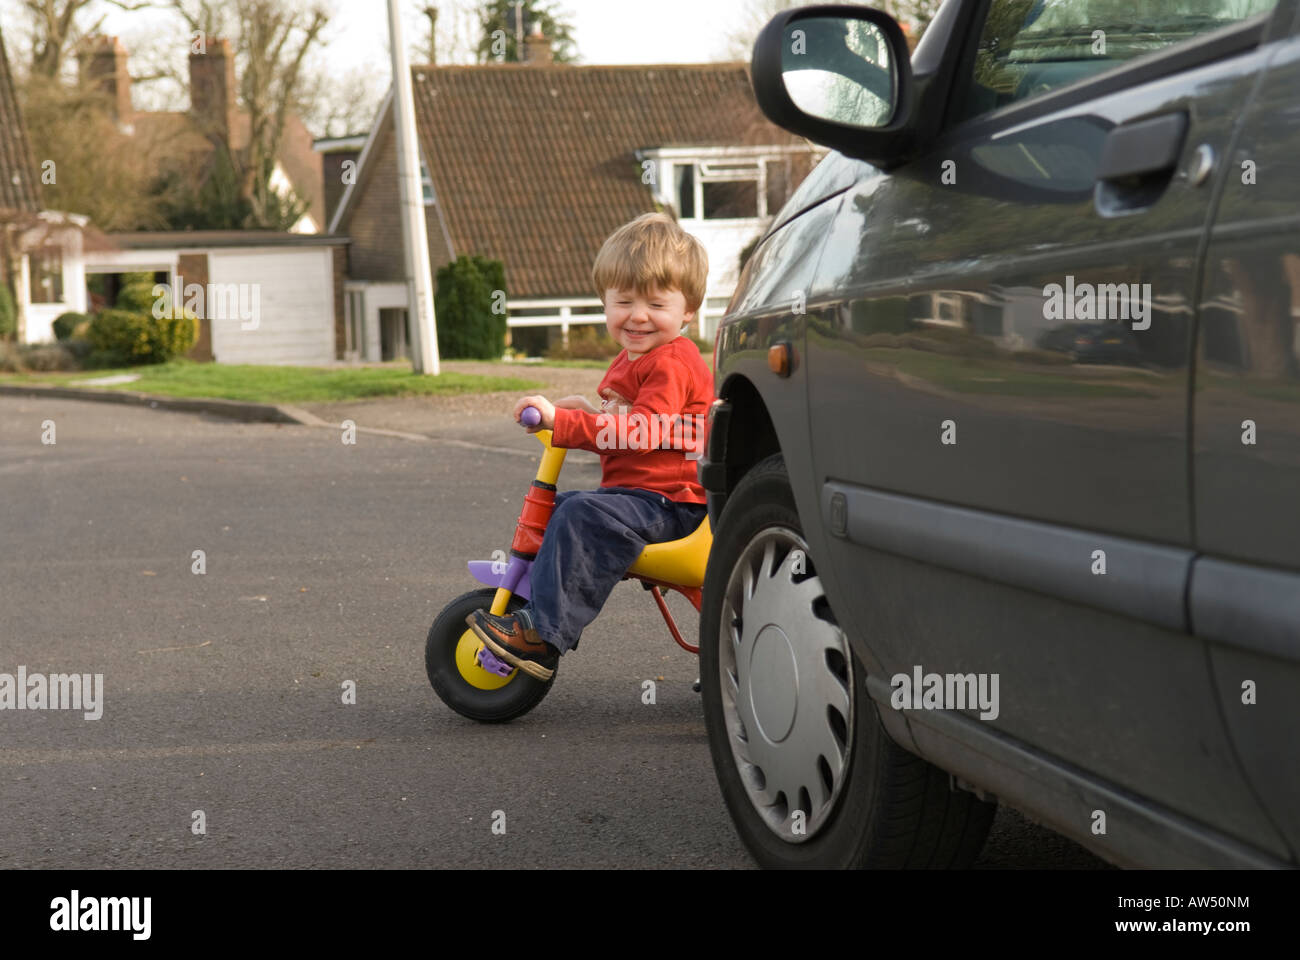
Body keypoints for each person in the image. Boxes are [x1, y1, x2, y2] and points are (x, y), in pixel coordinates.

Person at [467, 213, 714, 681]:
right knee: (562, 510)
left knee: (581, 518)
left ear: (689, 310)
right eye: (623, 301)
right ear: (604, 301)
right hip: (643, 502)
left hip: (675, 505)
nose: (637, 315)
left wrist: (568, 423)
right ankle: (534, 615)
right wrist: (584, 409)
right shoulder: (636, 357)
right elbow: (626, 423)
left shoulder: (673, 362)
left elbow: (643, 430)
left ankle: (540, 634)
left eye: (656, 304)